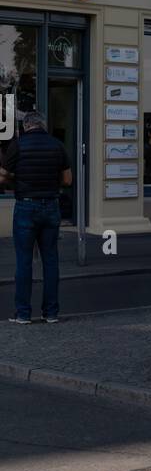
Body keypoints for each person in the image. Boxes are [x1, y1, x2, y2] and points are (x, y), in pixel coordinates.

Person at [0, 110, 71, 323]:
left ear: (26, 126)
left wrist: (16, 177)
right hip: (50, 206)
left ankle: (23, 314)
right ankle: (51, 313)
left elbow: (2, 177)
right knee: (50, 260)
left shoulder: (18, 146)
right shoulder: (57, 145)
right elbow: (67, 180)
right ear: (43, 125)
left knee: (24, 261)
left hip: (26, 207)